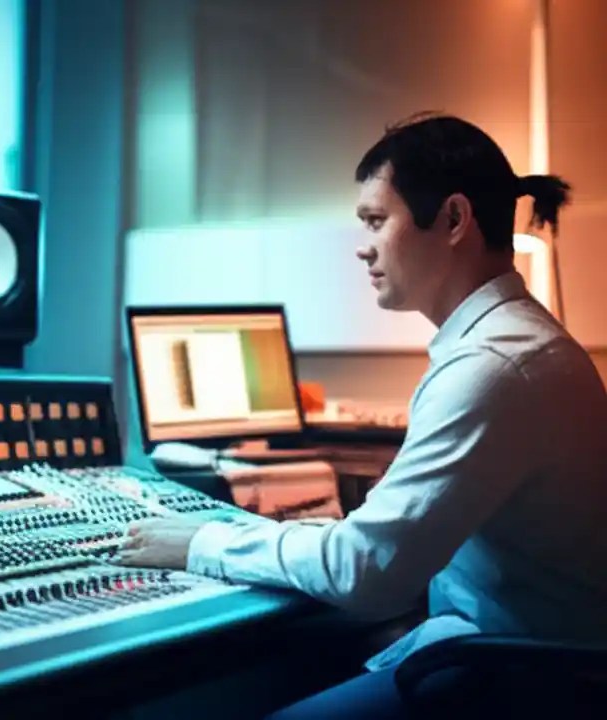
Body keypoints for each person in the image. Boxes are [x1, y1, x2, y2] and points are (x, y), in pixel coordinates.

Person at [116, 113, 607, 717]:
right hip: (521, 657)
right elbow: (382, 547)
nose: (362, 244)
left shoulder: (493, 367)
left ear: (453, 220)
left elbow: (366, 573)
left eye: (377, 220)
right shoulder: (521, 347)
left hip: (517, 680)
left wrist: (203, 543)